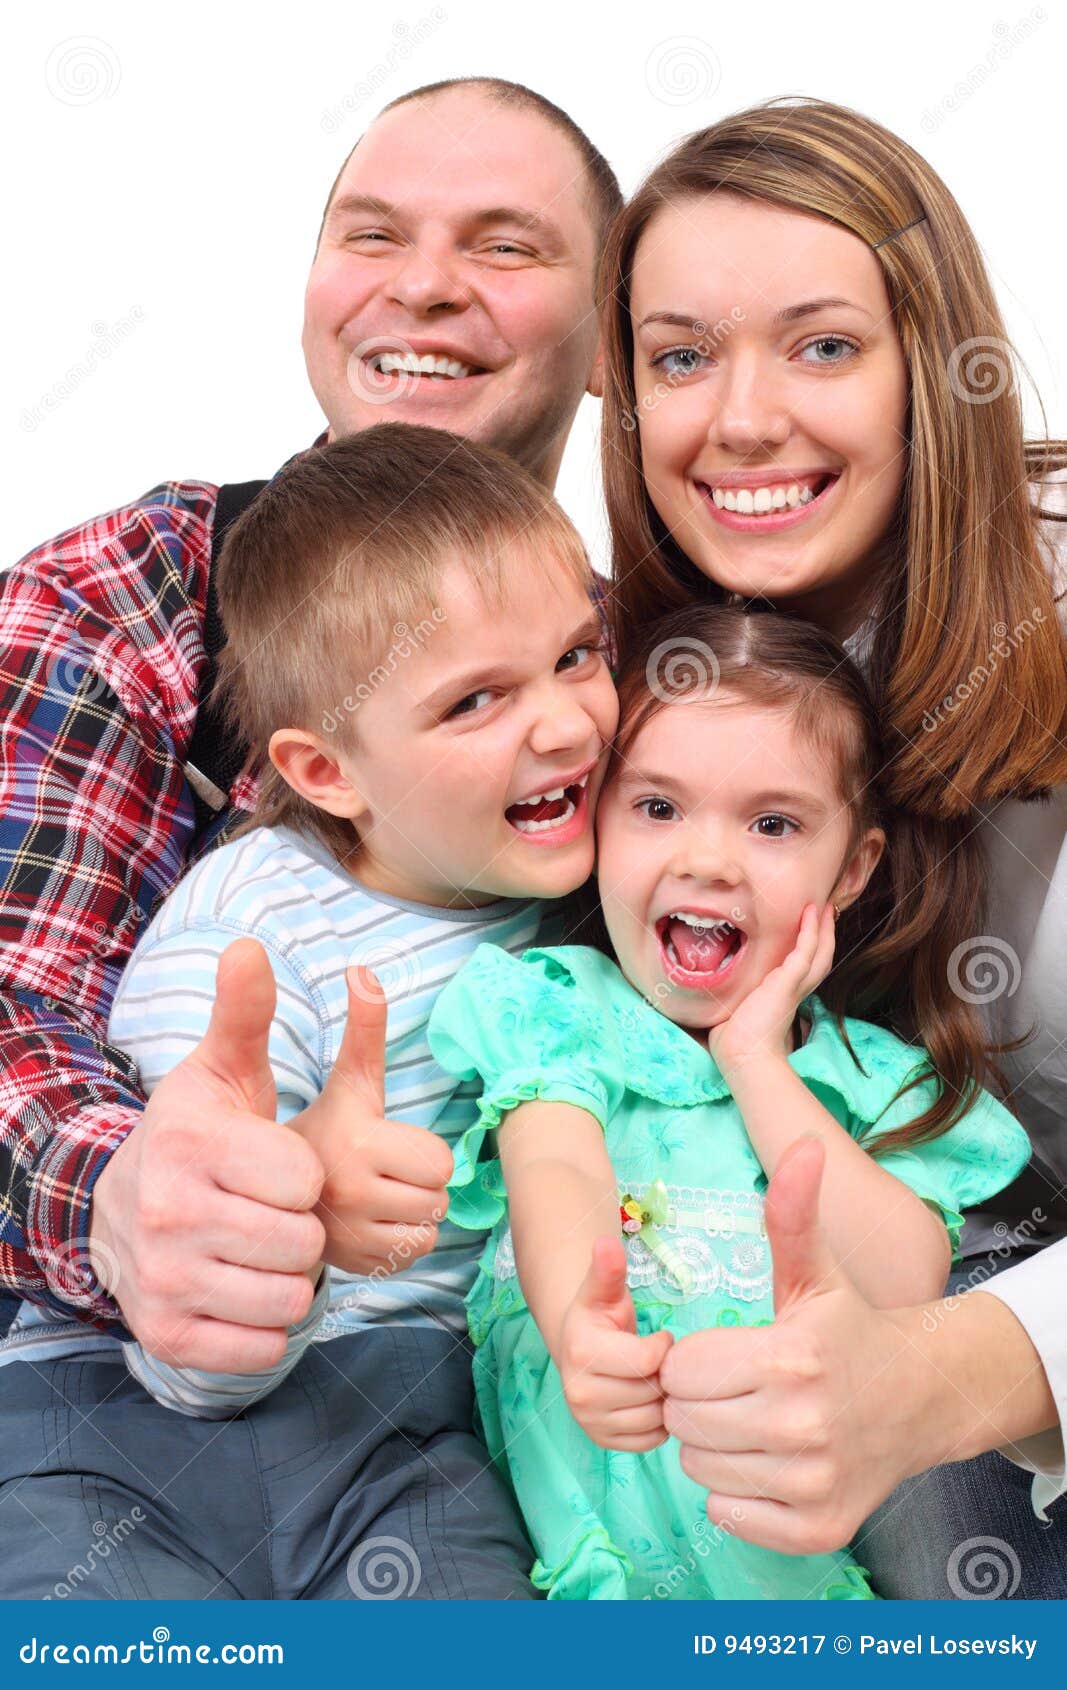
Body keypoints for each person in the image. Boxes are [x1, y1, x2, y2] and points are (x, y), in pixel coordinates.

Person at [0, 77, 620, 1598]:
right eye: (373, 232)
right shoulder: (120, 600)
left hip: (439, 1422)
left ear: (609, 335)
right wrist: (149, 1199)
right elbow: (13, 1003)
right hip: (105, 1391)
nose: (423, 283)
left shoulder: (634, 690)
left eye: (504, 246)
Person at [594, 94, 1067, 1595]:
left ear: (930, 371)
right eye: (678, 356)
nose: (738, 419)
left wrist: (929, 1379)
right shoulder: (653, 690)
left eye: (819, 344)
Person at [424, 603, 1031, 1599]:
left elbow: (903, 1285)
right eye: (656, 807)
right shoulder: (558, 1012)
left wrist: (758, 1059)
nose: (706, 859)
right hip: (590, 1578)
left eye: (772, 823)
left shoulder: (873, 1083)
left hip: (810, 1590)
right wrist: (583, 1322)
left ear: (851, 867)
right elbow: (556, 1168)